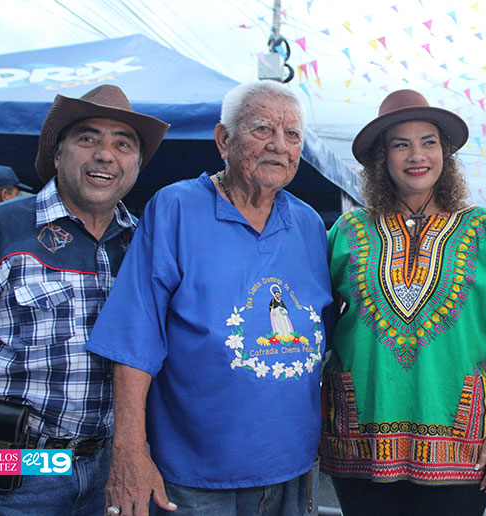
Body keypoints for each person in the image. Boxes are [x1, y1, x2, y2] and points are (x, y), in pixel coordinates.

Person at [85, 80, 332, 516]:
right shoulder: (175, 209)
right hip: (193, 474)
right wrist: (129, 451)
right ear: (223, 140)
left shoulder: (310, 225)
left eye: (292, 135)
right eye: (262, 130)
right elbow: (134, 341)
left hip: (291, 468)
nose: (279, 146)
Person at [0, 84, 169, 515]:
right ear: (57, 154)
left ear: (137, 166)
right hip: (11, 463)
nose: (105, 154)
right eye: (88, 139)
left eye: (123, 144)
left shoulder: (143, 243)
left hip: (106, 466)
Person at [319, 89, 486, 516]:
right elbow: (314, 325)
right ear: (382, 158)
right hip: (362, 441)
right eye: (401, 144)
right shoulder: (347, 231)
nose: (417, 155)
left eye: (428, 142)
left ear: (445, 154)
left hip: (462, 441)